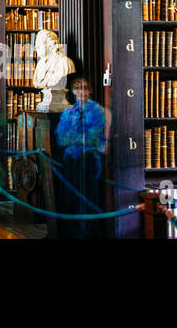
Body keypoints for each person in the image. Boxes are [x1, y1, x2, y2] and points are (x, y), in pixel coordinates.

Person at [54, 77, 108, 238]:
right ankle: (73, 231)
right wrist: (79, 139)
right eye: (77, 89)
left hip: (89, 159)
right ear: (73, 92)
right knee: (71, 196)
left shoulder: (97, 111)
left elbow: (93, 138)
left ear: (89, 91)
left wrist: (74, 138)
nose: (81, 92)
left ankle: (89, 231)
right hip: (71, 159)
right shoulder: (68, 112)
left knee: (89, 196)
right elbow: (60, 137)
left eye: (84, 89)